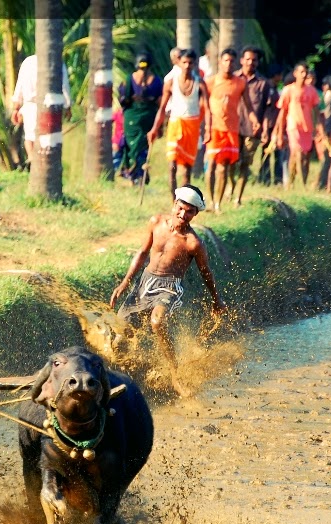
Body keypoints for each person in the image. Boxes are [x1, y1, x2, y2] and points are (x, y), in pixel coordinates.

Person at [110, 185, 226, 396]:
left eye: (189, 211)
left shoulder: (193, 243)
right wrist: (125, 282)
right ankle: (129, 375)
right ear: (174, 204)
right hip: (145, 283)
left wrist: (216, 300)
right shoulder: (156, 222)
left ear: (196, 214)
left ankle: (175, 376)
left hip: (170, 287)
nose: (183, 215)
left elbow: (206, 273)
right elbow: (143, 252)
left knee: (157, 322)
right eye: (181, 208)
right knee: (120, 334)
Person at [148, 49, 210, 197]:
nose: (187, 65)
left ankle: (184, 200)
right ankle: (173, 201)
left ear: (195, 64)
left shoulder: (200, 84)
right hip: (175, 124)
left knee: (187, 169)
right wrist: (154, 129)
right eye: (184, 62)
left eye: (190, 63)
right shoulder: (170, 82)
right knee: (172, 166)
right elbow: (162, 108)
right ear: (179, 63)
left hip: (192, 126)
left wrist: (208, 129)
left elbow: (207, 109)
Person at [204, 48, 259, 213]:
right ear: (220, 62)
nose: (228, 64)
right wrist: (205, 126)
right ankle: (209, 200)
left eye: (231, 61)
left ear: (235, 63)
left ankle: (217, 205)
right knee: (212, 164)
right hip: (215, 128)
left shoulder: (240, 83)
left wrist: (255, 121)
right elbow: (204, 106)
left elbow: (248, 106)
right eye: (225, 60)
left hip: (231, 130)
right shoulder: (211, 82)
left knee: (224, 168)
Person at [10, 54, 72, 169]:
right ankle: (43, 165)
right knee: (48, 138)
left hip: (29, 106)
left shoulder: (27, 62)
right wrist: (68, 106)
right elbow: (64, 85)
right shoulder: (56, 61)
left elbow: (19, 87)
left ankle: (32, 159)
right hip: (49, 106)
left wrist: (16, 108)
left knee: (29, 137)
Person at [230, 46, 271, 205]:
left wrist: (265, 129)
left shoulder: (263, 83)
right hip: (233, 128)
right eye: (247, 59)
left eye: (254, 60)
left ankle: (238, 197)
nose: (250, 63)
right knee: (231, 162)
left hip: (252, 130)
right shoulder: (233, 79)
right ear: (241, 60)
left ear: (257, 63)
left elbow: (267, 109)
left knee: (245, 164)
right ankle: (231, 187)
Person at [272, 62, 321, 189]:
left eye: (305, 72)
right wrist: (278, 132)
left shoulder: (312, 91)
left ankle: (291, 182)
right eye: (301, 72)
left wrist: (317, 128)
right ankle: (302, 185)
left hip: (307, 128)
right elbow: (283, 112)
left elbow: (316, 110)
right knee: (297, 152)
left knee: (302, 156)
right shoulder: (288, 90)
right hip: (293, 126)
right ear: (295, 74)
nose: (304, 75)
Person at [118, 52, 162, 184]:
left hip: (148, 119)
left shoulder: (156, 82)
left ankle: (140, 175)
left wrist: (160, 125)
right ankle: (131, 175)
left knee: (143, 146)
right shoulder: (128, 80)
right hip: (132, 119)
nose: (143, 71)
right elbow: (122, 99)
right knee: (131, 146)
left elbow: (160, 102)